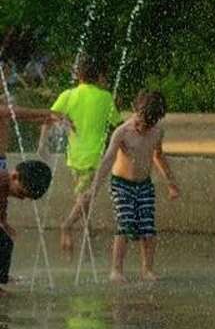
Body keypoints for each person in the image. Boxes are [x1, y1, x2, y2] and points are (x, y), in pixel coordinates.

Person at [89, 90, 181, 283]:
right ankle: (116, 270)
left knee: (148, 227)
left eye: (148, 124)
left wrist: (171, 183)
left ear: (157, 120)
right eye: (140, 121)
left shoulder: (157, 132)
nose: (142, 127)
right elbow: (108, 159)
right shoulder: (122, 132)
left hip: (144, 184)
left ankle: (147, 269)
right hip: (121, 184)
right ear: (135, 110)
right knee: (125, 223)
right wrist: (94, 188)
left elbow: (158, 156)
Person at [42, 56, 120, 255]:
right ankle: (67, 225)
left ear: (78, 75)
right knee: (89, 195)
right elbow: (117, 124)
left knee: (82, 197)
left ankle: (88, 236)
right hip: (95, 156)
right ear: (98, 77)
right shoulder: (105, 97)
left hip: (74, 156)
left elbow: (49, 117)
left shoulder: (67, 95)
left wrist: (43, 144)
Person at [0, 159, 53, 294]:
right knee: (3, 242)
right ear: (15, 176)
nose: (23, 198)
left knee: (5, 241)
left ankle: (2, 277)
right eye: (21, 193)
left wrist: (4, 223)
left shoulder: (5, 185)